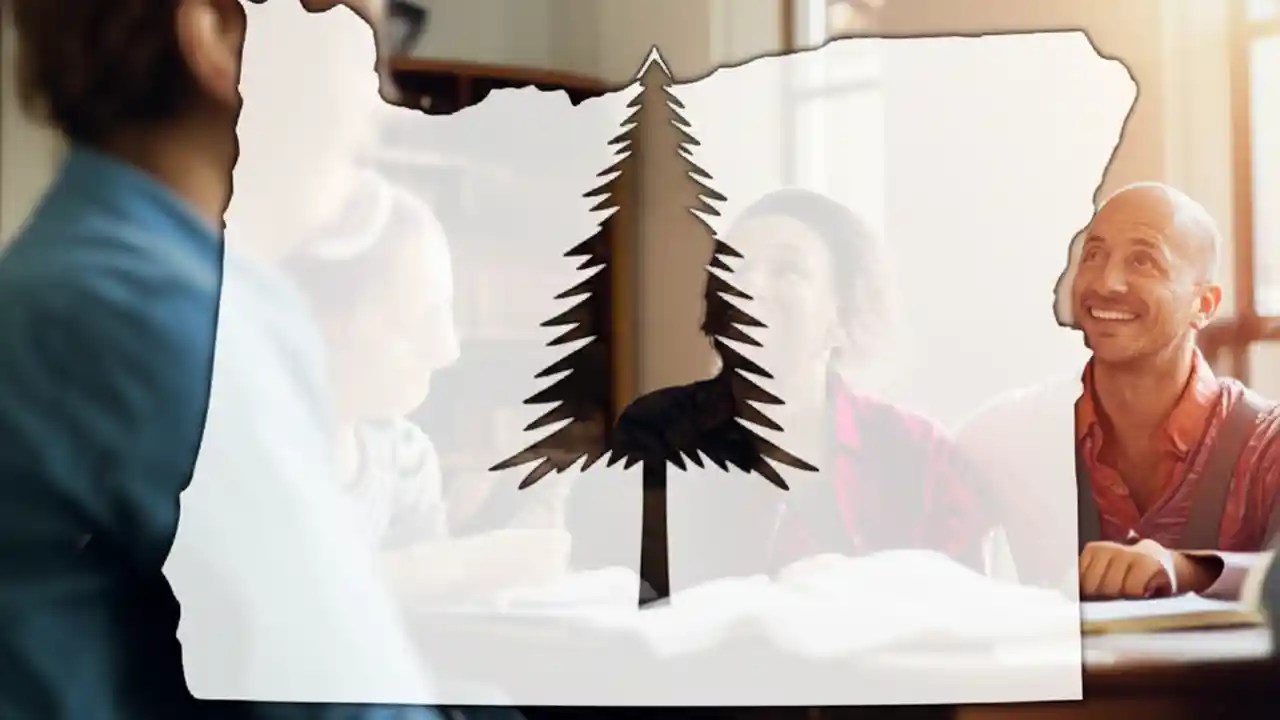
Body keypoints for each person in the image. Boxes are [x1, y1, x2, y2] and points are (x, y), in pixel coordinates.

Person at [0, 0, 462, 717]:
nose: (389, 98)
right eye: (374, 32)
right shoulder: (157, 313)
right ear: (219, 36)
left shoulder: (83, 282)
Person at [590, 188, 999, 590]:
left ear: (844, 314)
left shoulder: (917, 454)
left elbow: (966, 613)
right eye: (732, 271)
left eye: (787, 270)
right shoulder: (654, 435)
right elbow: (611, 601)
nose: (749, 287)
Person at [284, 169, 571, 601]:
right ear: (326, 321)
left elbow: (423, 619)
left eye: (447, 314)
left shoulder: (404, 459)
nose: (448, 350)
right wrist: (456, 565)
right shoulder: (258, 453)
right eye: (421, 318)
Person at [1061, 182, 1280, 600]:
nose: (1108, 282)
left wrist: (1189, 569)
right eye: (1094, 255)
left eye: (1143, 261)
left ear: (1205, 305)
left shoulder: (1267, 444)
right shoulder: (1012, 435)